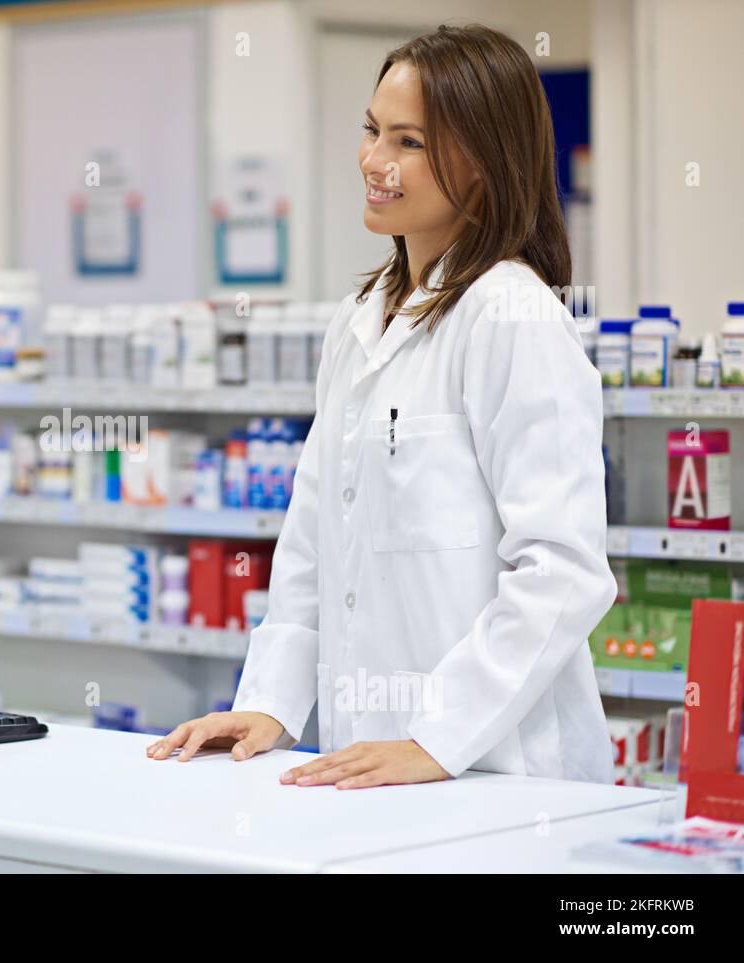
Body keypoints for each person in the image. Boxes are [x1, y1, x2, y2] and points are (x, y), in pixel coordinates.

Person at [148, 23, 616, 787]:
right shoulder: (361, 314)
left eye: (408, 142)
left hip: (504, 774)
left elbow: (562, 569)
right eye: (372, 131)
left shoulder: (513, 317)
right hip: (370, 758)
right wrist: (271, 701)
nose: (374, 161)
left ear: (485, 161)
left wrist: (438, 736)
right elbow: (311, 533)